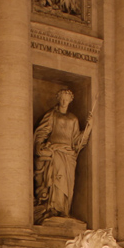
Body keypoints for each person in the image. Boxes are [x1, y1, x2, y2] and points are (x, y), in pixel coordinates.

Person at [33, 88, 93, 223]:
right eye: (62, 99)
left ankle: (64, 210)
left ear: (70, 101)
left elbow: (77, 141)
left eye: (67, 99)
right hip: (55, 152)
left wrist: (89, 127)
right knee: (56, 180)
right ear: (58, 99)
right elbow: (42, 132)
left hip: (69, 155)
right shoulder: (52, 115)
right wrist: (39, 146)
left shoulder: (73, 119)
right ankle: (53, 209)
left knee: (67, 184)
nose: (64, 102)